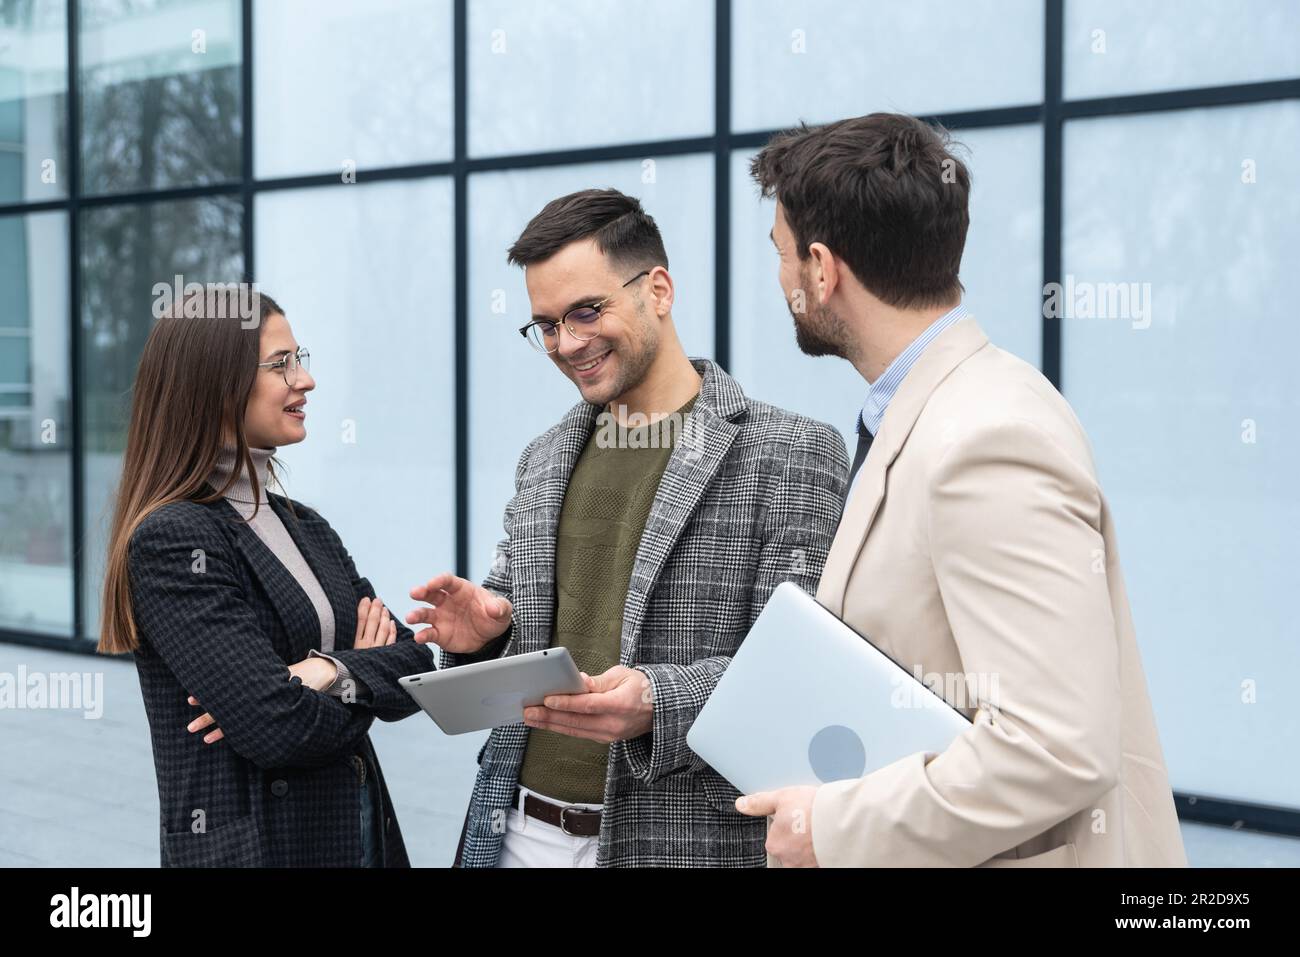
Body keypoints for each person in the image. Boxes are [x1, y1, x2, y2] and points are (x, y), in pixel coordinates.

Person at [735, 113, 1187, 868]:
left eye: (781, 254)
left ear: (821, 269)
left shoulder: (985, 435)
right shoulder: (930, 410)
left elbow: (1056, 746)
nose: (781, 279)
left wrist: (834, 826)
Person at [408, 189, 848, 867]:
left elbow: (796, 674)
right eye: (546, 325)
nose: (567, 343)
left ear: (658, 290)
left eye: (587, 311)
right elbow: (524, 640)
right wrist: (486, 635)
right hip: (515, 833)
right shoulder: (543, 459)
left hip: (681, 843)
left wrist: (656, 701)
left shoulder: (791, 452)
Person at [98, 289, 433, 867]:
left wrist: (324, 672)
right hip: (262, 850)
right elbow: (277, 727)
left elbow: (414, 667)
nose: (306, 380)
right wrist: (355, 672)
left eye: (300, 359)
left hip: (358, 835)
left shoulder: (306, 525)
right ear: (216, 383)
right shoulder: (175, 537)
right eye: (281, 364)